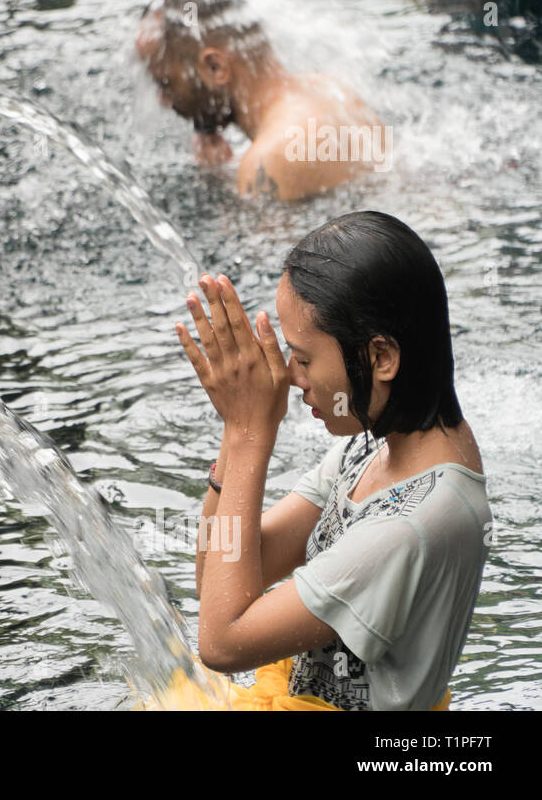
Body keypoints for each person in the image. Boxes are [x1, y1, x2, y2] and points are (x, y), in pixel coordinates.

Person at [173, 211, 490, 710]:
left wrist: (252, 432)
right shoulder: (377, 445)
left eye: (303, 359)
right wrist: (235, 436)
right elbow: (219, 578)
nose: (292, 379)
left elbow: (220, 642)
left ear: (381, 358)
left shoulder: (410, 526)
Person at [136, 0, 387, 202]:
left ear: (215, 67)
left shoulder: (268, 161)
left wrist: (219, 185)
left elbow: (272, 247)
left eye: (166, 83)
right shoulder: (327, 88)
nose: (162, 99)